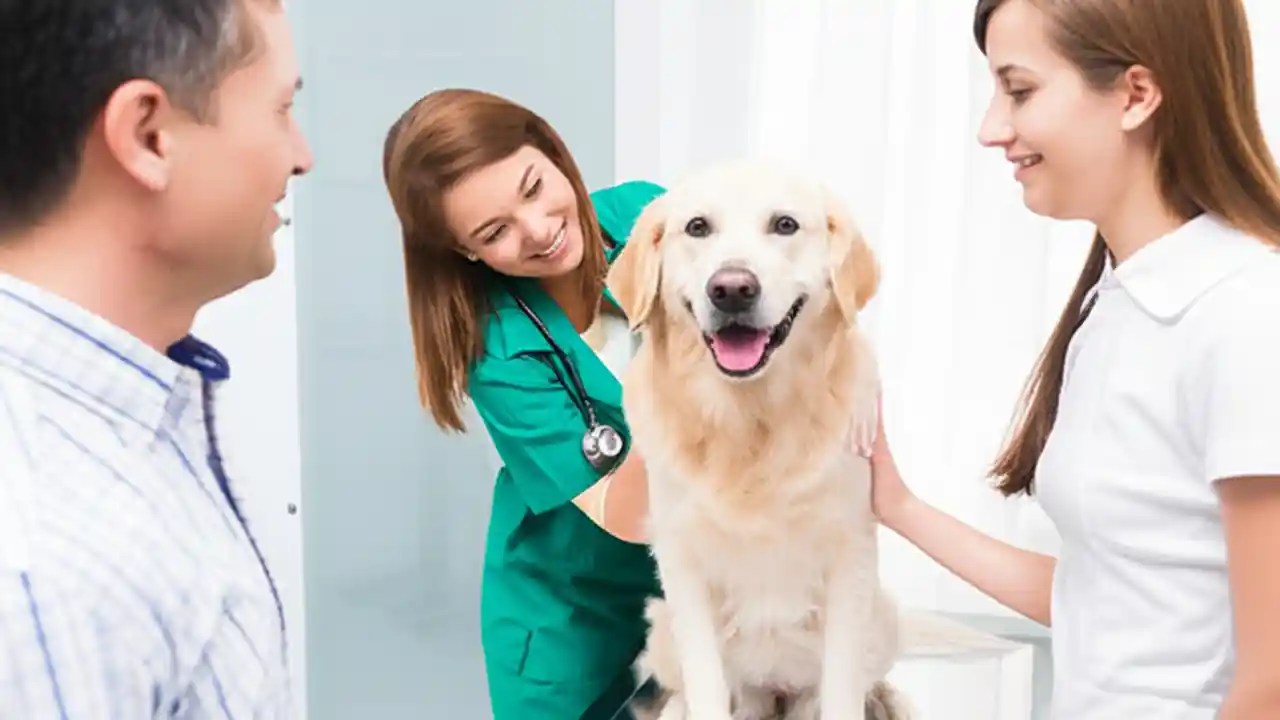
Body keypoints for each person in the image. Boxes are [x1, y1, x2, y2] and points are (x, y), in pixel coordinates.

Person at [867, 0, 1280, 717]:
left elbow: (1271, 679)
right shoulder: (1119, 301)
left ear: (1136, 95)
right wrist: (895, 505)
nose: (992, 128)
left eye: (1019, 90)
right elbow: (1108, 604)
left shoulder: (1244, 314)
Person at [0, 0, 313, 717]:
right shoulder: (40, 565)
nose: (302, 154)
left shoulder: (124, 419)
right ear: (149, 135)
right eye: (279, 110)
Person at [381, 88, 664, 718]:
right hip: (571, 621)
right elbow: (627, 512)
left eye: (534, 187)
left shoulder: (652, 218)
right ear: (466, 251)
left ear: (551, 150)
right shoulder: (493, 343)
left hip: (698, 596)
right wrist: (692, 394)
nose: (537, 231)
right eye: (495, 231)